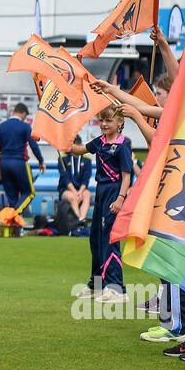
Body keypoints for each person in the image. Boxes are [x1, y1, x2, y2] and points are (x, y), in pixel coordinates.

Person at [61, 105, 133, 302]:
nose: (104, 124)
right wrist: (64, 137)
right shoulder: (100, 142)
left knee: (110, 238)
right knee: (96, 239)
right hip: (101, 191)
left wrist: (120, 199)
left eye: (108, 120)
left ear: (120, 122)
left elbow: (127, 176)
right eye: (101, 120)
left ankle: (116, 288)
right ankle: (97, 284)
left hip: (114, 191)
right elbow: (79, 149)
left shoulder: (122, 145)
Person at [0, 103, 44, 218]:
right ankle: (12, 217)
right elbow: (33, 145)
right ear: (23, 113)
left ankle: (14, 225)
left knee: (13, 198)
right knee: (29, 193)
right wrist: (41, 161)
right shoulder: (25, 127)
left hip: (4, 164)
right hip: (19, 163)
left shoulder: (0, 127)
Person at [57, 138, 92, 225]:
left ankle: (82, 218)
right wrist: (75, 192)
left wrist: (80, 191)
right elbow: (65, 178)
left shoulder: (87, 159)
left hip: (81, 189)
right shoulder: (63, 158)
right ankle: (78, 221)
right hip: (66, 189)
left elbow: (86, 178)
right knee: (73, 197)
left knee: (87, 195)